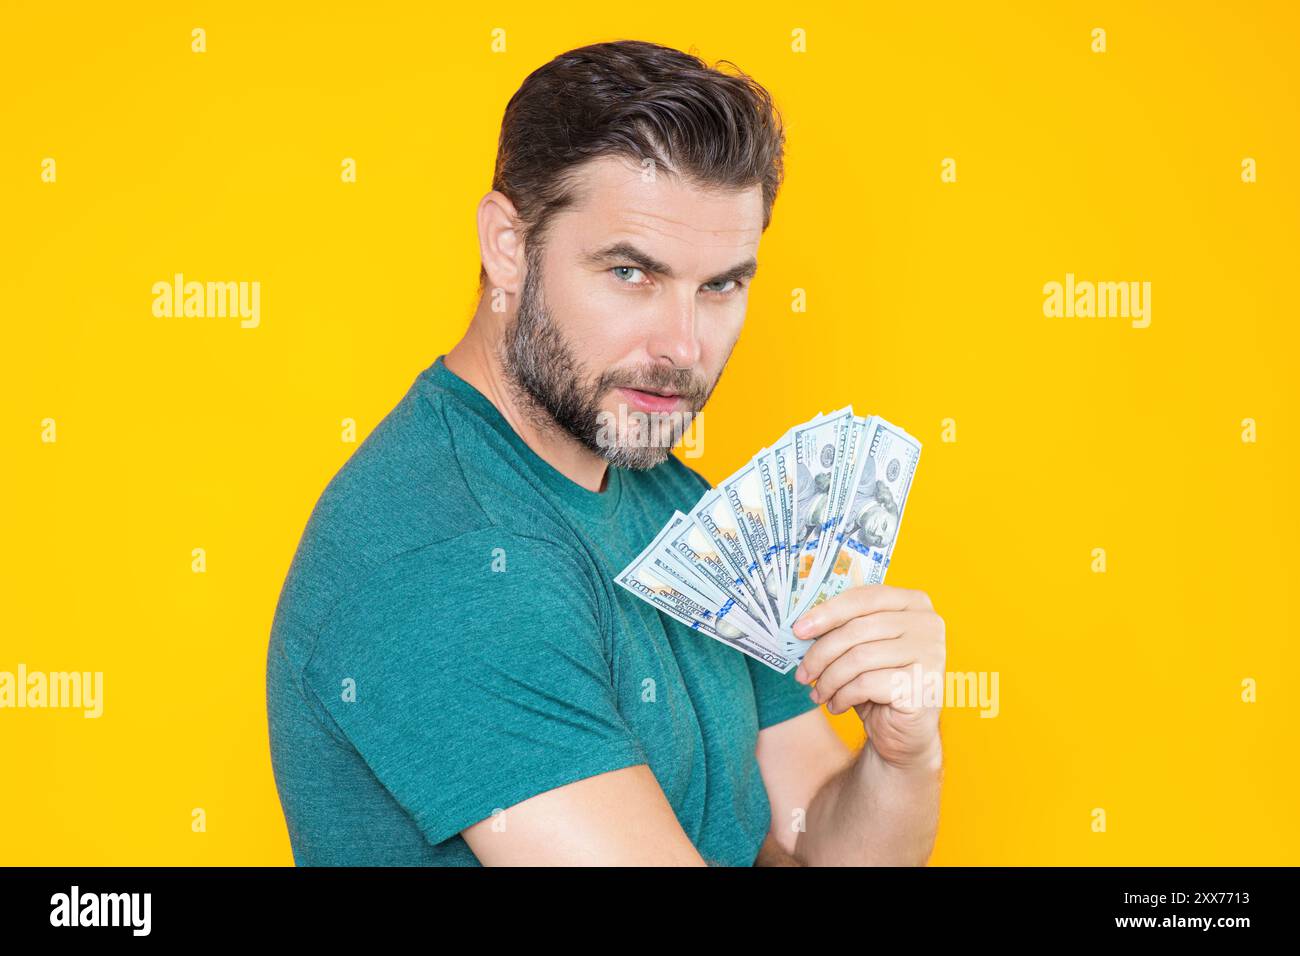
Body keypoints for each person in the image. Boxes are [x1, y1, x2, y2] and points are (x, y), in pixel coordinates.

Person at [266, 38, 946, 866]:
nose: (682, 346)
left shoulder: (675, 500)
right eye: (631, 273)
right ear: (507, 247)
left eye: (722, 284)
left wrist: (904, 758)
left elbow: (815, 851)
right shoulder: (456, 564)